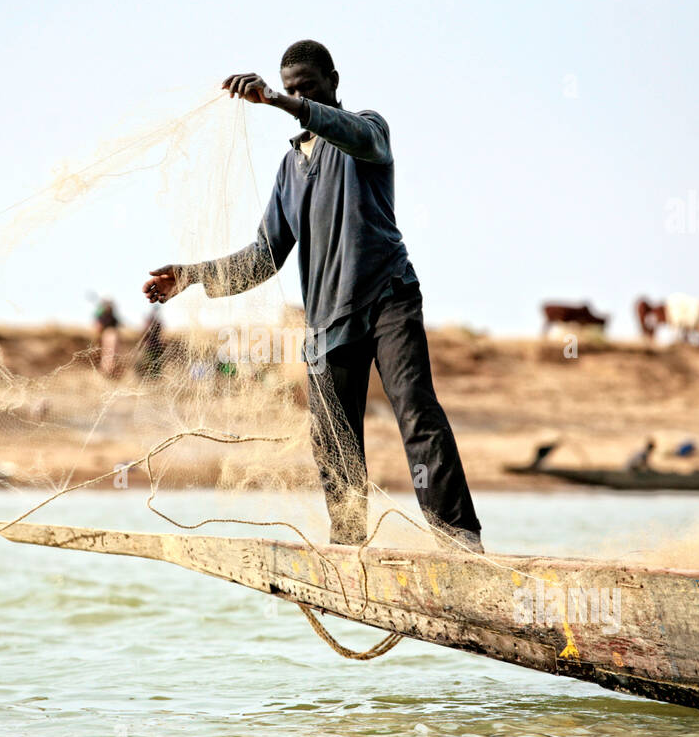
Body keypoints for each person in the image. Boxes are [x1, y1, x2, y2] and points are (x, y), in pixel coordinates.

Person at [142, 40, 482, 552]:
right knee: (334, 445)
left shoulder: (368, 131)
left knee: (416, 413)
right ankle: (349, 552)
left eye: (308, 88)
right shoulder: (289, 172)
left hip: (388, 299)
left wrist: (278, 100)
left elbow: (349, 131)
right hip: (327, 323)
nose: (298, 95)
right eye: (292, 88)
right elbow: (263, 257)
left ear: (334, 83)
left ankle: (460, 544)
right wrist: (191, 275)